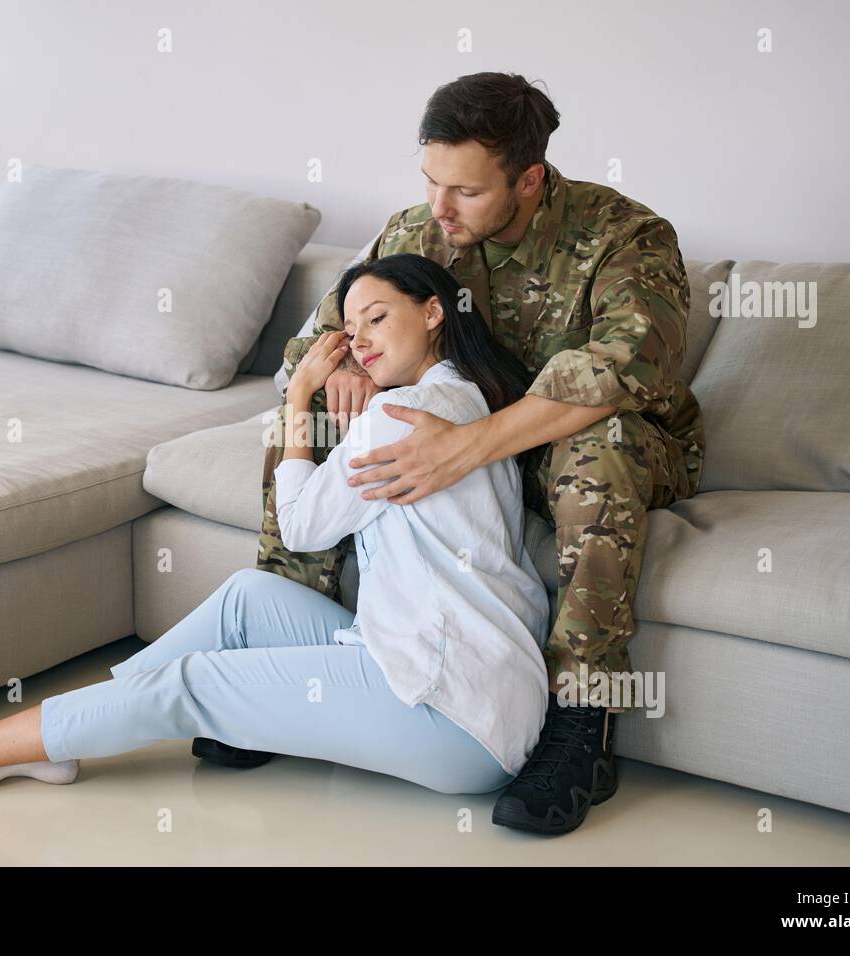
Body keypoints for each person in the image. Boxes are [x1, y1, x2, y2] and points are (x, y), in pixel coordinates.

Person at [0, 253, 553, 803]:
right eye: (350, 327)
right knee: (250, 596)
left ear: (434, 312)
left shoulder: (398, 418)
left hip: (453, 716)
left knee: (195, 683)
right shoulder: (468, 400)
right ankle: (56, 738)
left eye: (378, 318)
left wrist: (302, 392)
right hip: (488, 694)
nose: (360, 341)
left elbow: (303, 526)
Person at [245, 71, 702, 834]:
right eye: (429, 181)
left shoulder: (628, 236)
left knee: (599, 448)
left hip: (595, 441)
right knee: (317, 419)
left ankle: (583, 725)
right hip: (464, 441)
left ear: (529, 178)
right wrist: (351, 369)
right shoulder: (415, 236)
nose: (439, 208)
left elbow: (620, 368)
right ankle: (296, 666)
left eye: (465, 192)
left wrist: (465, 448)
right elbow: (309, 347)